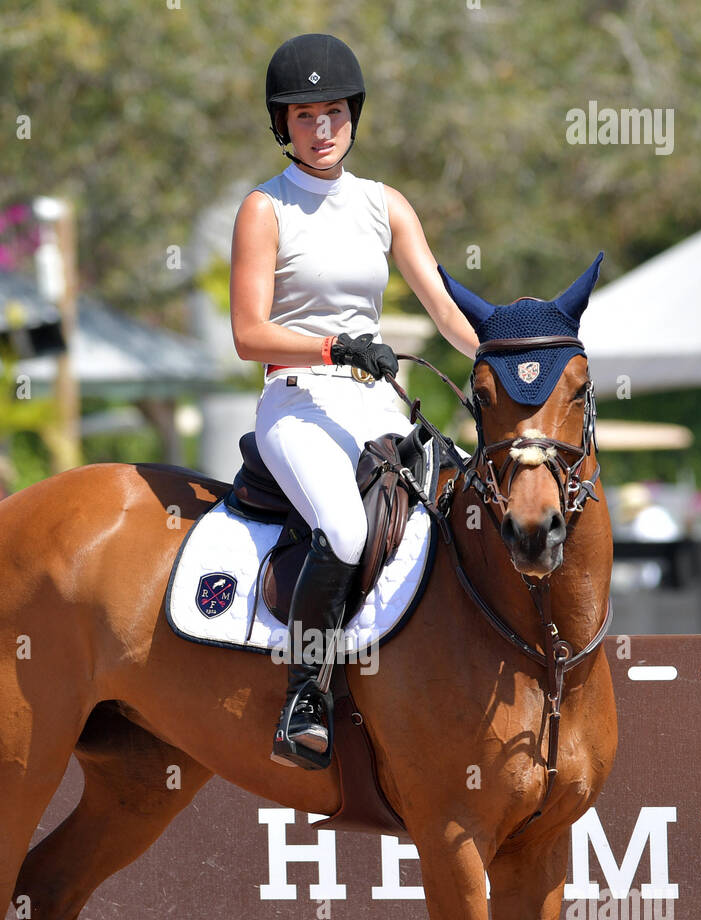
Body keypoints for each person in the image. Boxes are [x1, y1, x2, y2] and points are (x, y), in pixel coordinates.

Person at [231, 32, 479, 770]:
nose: (322, 129)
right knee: (342, 531)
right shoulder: (265, 208)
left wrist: (505, 357)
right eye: (305, 116)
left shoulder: (383, 204)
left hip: (372, 401)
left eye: (334, 112)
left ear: (353, 115)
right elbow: (248, 333)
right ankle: (304, 697)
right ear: (283, 124)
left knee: (461, 503)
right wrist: (335, 348)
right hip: (296, 400)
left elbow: (444, 311)